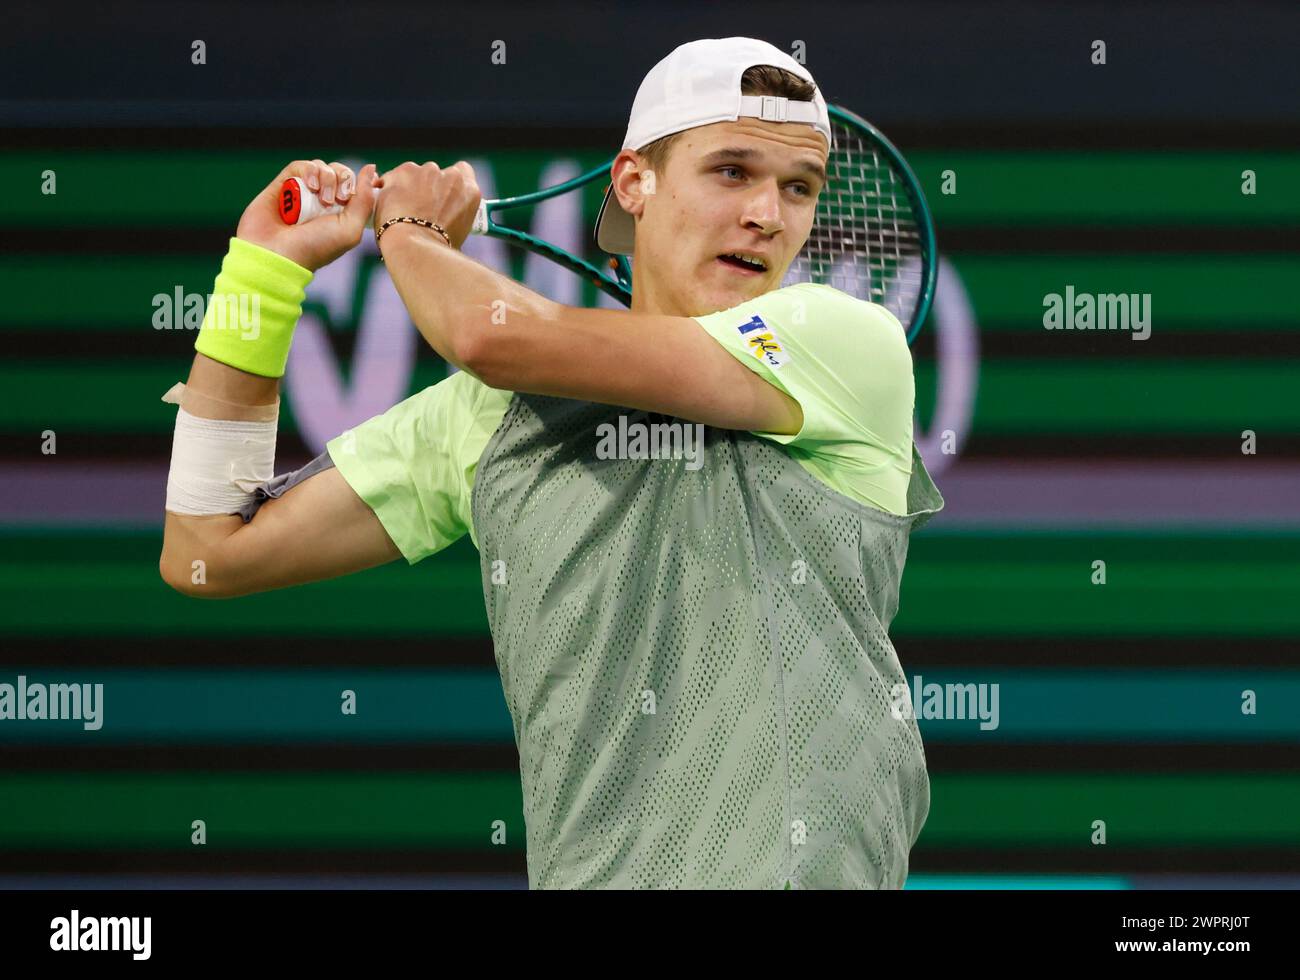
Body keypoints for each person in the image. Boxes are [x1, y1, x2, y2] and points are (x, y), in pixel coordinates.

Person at [159, 36, 944, 889]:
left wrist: (411, 232)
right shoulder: (489, 416)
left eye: (799, 187)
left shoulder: (845, 343)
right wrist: (263, 275)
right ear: (633, 183)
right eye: (731, 172)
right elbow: (207, 549)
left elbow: (487, 333)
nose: (769, 213)